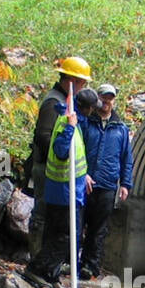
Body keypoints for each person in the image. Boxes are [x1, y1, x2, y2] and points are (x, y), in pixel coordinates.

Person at [23, 87, 98, 288]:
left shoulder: (73, 119)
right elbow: (61, 150)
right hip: (63, 191)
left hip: (69, 189)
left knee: (61, 234)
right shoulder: (67, 123)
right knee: (64, 237)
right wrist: (70, 128)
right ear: (88, 108)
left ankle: (52, 277)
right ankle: (37, 269)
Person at [28, 56, 91, 255]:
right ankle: (36, 256)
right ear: (72, 81)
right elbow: (43, 137)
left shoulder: (65, 102)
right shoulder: (53, 103)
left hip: (55, 171)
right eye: (82, 83)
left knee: (53, 218)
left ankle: (45, 260)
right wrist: (61, 158)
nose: (83, 87)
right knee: (42, 215)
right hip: (48, 170)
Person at [76, 83, 133, 279]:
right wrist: (81, 174)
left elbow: (126, 158)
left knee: (98, 230)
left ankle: (90, 267)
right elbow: (77, 149)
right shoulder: (85, 122)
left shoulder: (120, 129)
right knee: (78, 225)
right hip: (85, 183)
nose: (106, 101)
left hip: (107, 186)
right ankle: (71, 262)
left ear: (113, 100)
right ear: (97, 99)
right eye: (103, 97)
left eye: (110, 98)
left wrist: (125, 184)